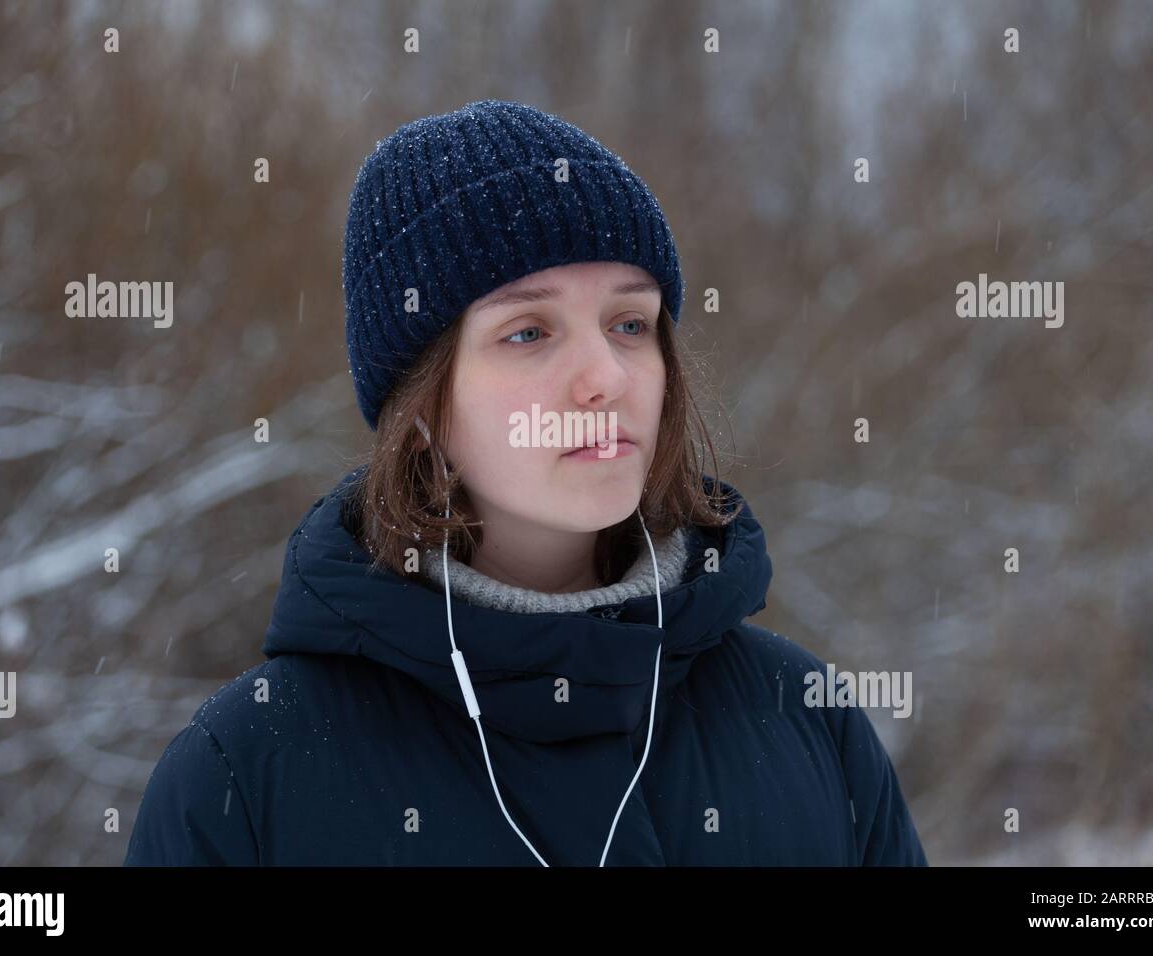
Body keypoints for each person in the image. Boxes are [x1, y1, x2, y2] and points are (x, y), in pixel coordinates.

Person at [124, 99, 928, 866]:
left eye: (629, 323)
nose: (605, 377)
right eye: (529, 331)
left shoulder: (806, 719)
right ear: (424, 409)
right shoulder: (248, 772)